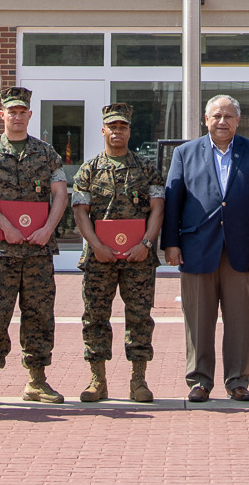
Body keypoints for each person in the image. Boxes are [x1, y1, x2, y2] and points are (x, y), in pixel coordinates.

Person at [161, 93, 249, 402]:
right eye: (216, 116)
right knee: (198, 321)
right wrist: (170, 243)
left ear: (238, 121)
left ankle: (237, 380)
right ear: (206, 120)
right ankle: (200, 381)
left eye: (228, 116)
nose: (222, 121)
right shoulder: (185, 153)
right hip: (197, 248)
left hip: (243, 248)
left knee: (240, 321)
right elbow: (173, 201)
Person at [0, 86, 68, 408]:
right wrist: (5, 226)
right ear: (2, 114)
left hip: (37, 248)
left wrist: (48, 228)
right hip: (0, 248)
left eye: (23, 112)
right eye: (12, 111)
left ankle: (36, 381)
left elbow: (60, 193)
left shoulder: (46, 153)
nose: (18, 116)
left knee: (39, 315)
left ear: (30, 115)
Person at [69, 102, 165, 404]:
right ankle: (97, 380)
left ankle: (138, 380)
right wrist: (96, 246)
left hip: (139, 258)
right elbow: (80, 212)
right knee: (95, 317)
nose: (117, 132)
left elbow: (158, 209)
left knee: (139, 317)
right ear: (103, 130)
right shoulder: (89, 170)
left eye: (122, 127)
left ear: (129, 131)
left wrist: (146, 244)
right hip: (100, 258)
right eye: (112, 127)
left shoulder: (146, 169)